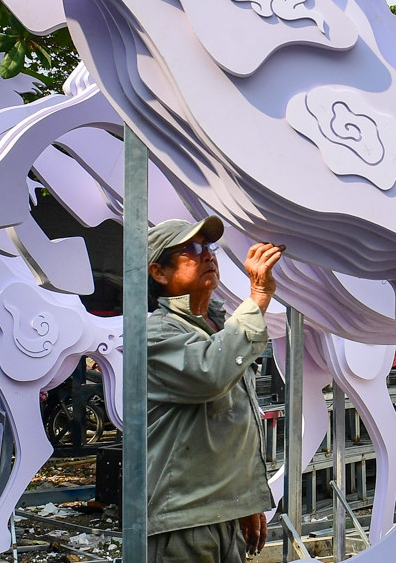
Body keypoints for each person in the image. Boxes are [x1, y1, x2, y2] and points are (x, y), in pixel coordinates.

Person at [146, 214, 285, 563]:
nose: (207, 254)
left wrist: (242, 499)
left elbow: (231, 426)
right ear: (158, 272)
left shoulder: (220, 328)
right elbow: (211, 374)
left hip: (221, 515)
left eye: (209, 246)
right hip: (182, 519)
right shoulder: (155, 335)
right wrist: (258, 297)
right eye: (191, 248)